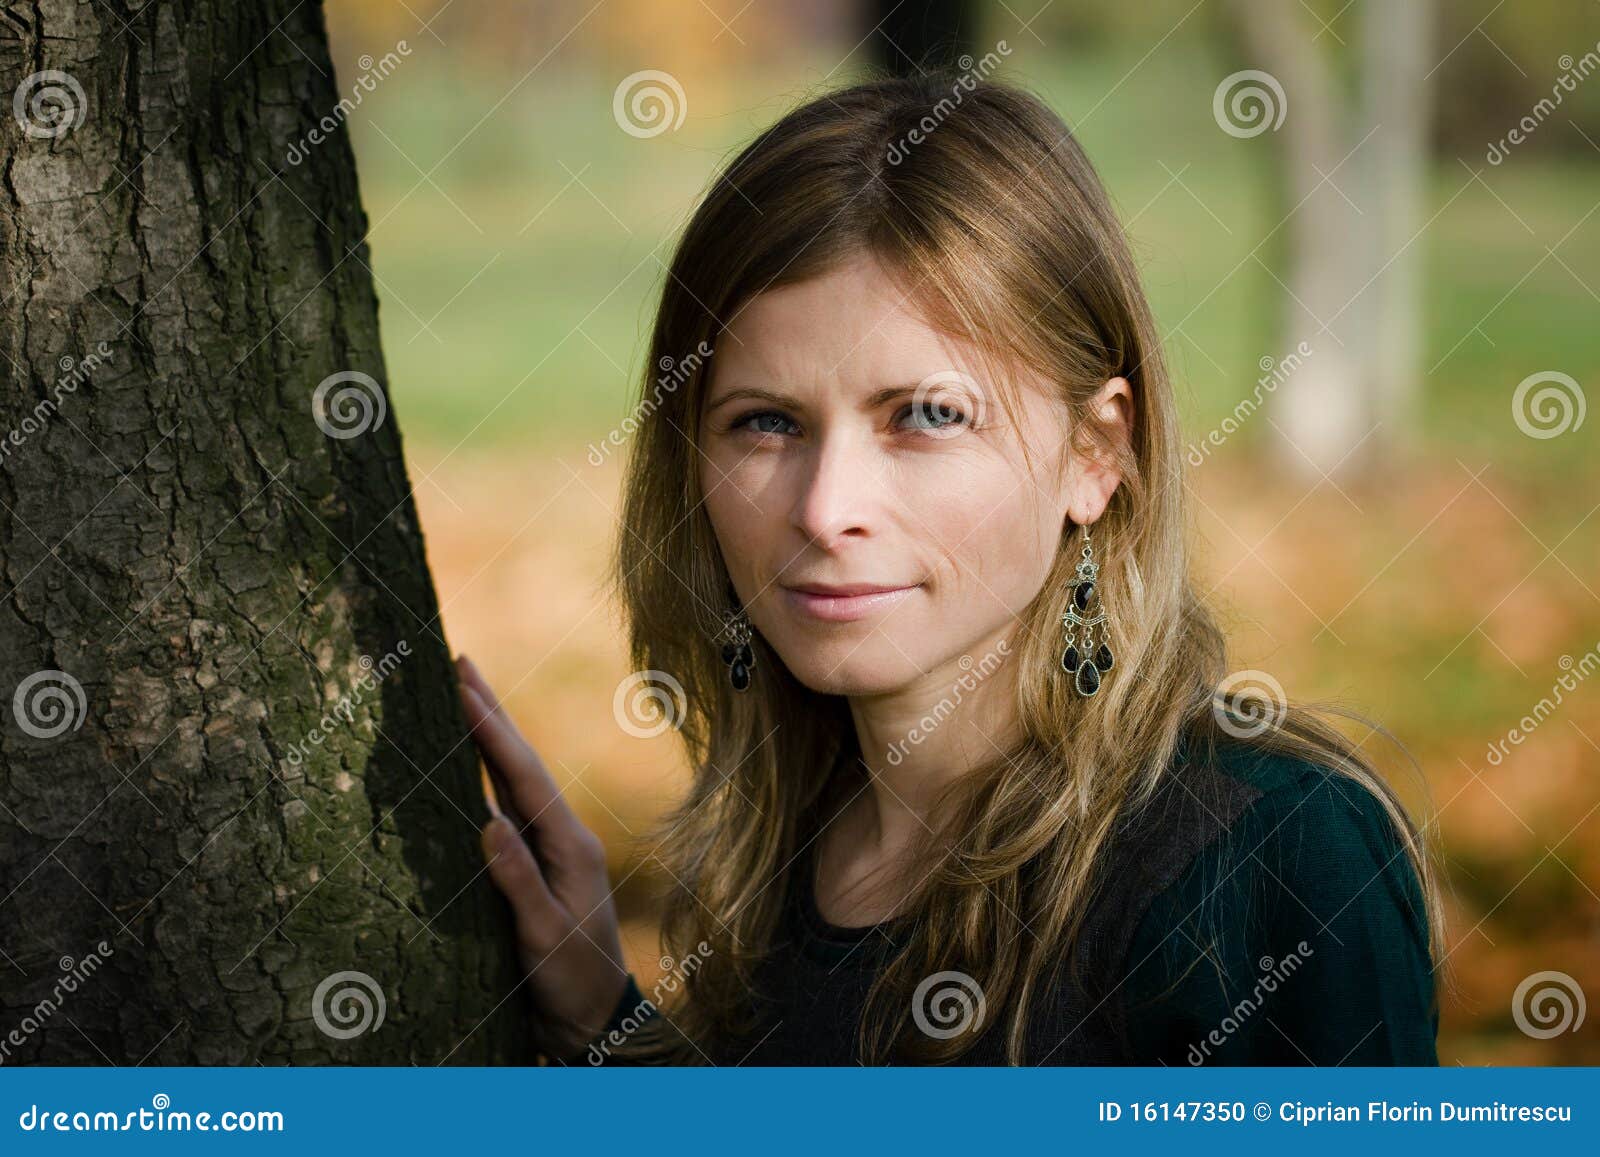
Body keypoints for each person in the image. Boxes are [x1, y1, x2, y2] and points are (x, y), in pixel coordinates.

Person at [458, 70, 1445, 1066]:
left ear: (1095, 452)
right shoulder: (778, 862)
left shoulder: (1268, 861)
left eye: (926, 415)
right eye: (766, 422)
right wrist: (606, 1027)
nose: (824, 508)